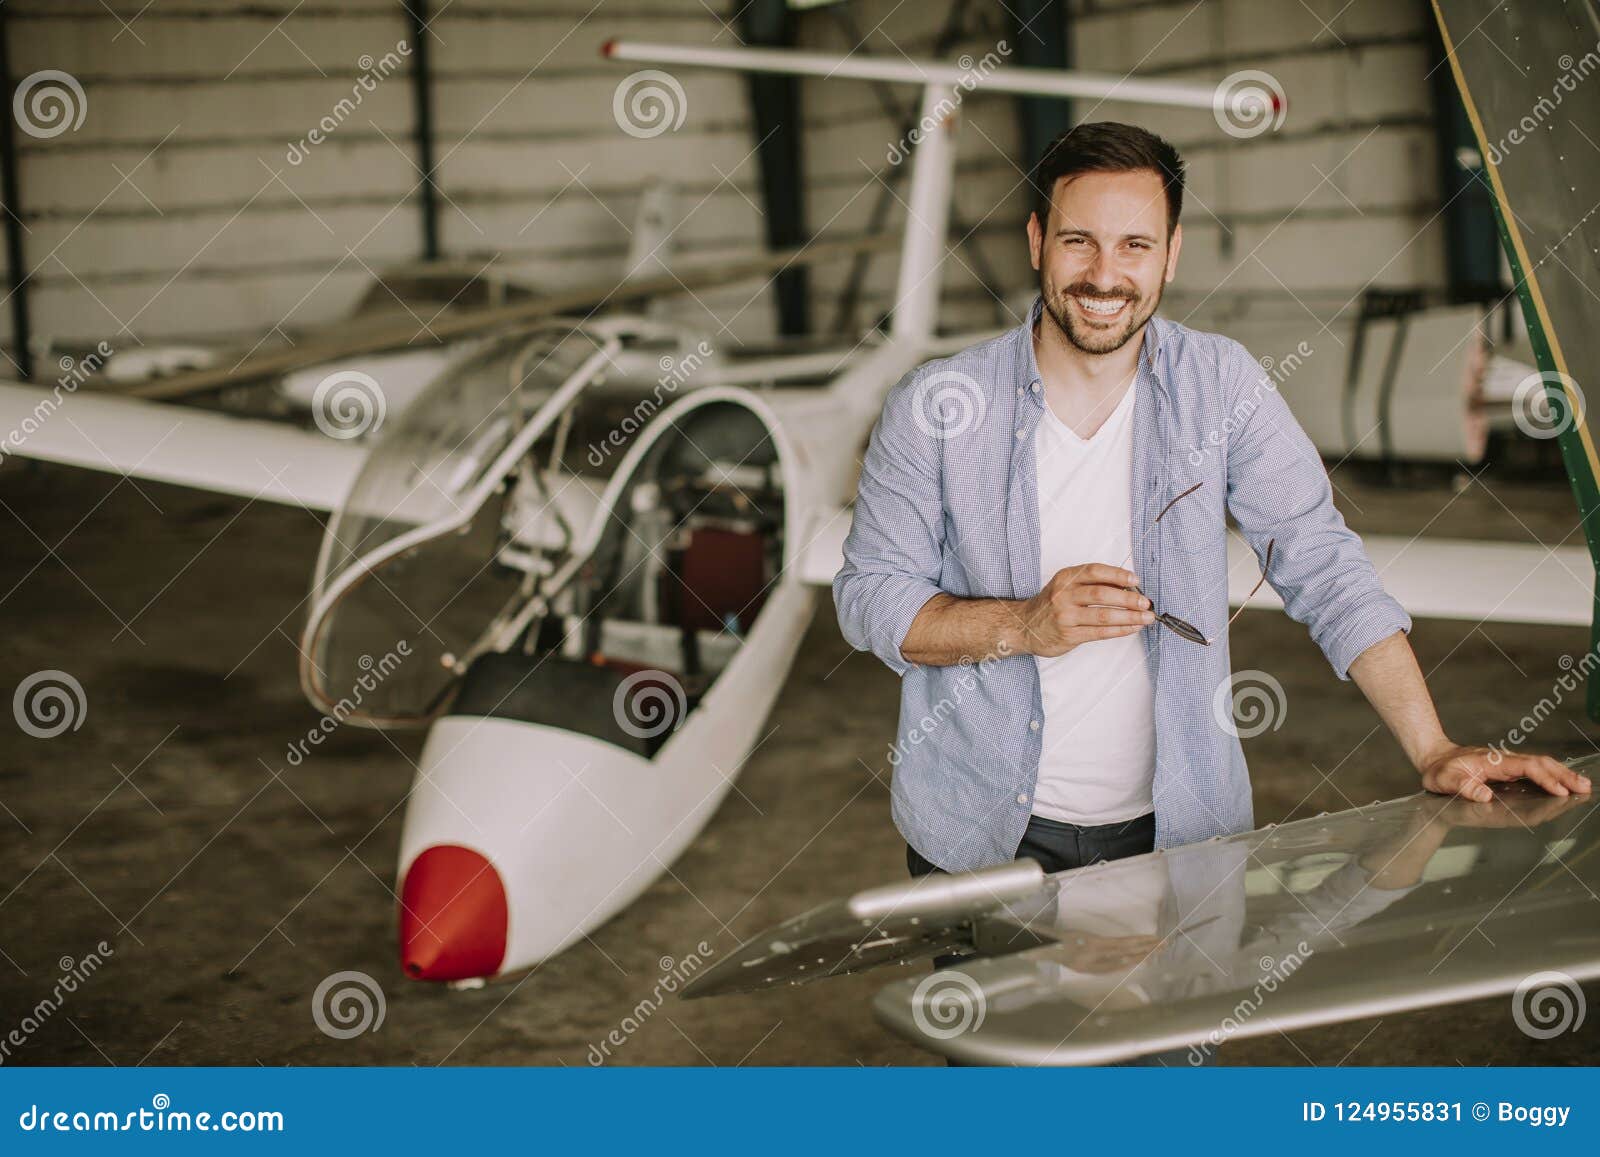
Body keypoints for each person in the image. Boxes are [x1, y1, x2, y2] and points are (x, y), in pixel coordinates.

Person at [833, 121, 1590, 889]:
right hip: (975, 834)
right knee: (988, 1015)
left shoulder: (1222, 387)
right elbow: (870, 596)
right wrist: (1024, 624)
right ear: (1036, 241)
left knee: (1169, 1011)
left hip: (1181, 839)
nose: (1104, 274)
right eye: (1078, 241)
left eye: (1135, 244)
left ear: (1172, 252)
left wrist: (1432, 747)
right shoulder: (937, 403)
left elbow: (1320, 560)